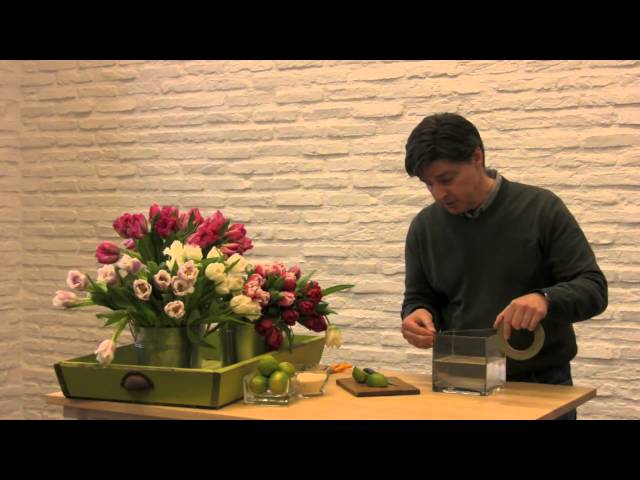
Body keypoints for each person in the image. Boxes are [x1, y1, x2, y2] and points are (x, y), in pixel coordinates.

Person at [401, 113, 608, 420]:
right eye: (428, 183)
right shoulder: (424, 227)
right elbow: (419, 297)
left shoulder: (541, 209)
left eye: (446, 179)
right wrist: (416, 315)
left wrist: (545, 299)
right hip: (460, 383)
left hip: (541, 386)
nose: (438, 194)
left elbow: (593, 288)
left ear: (477, 157)